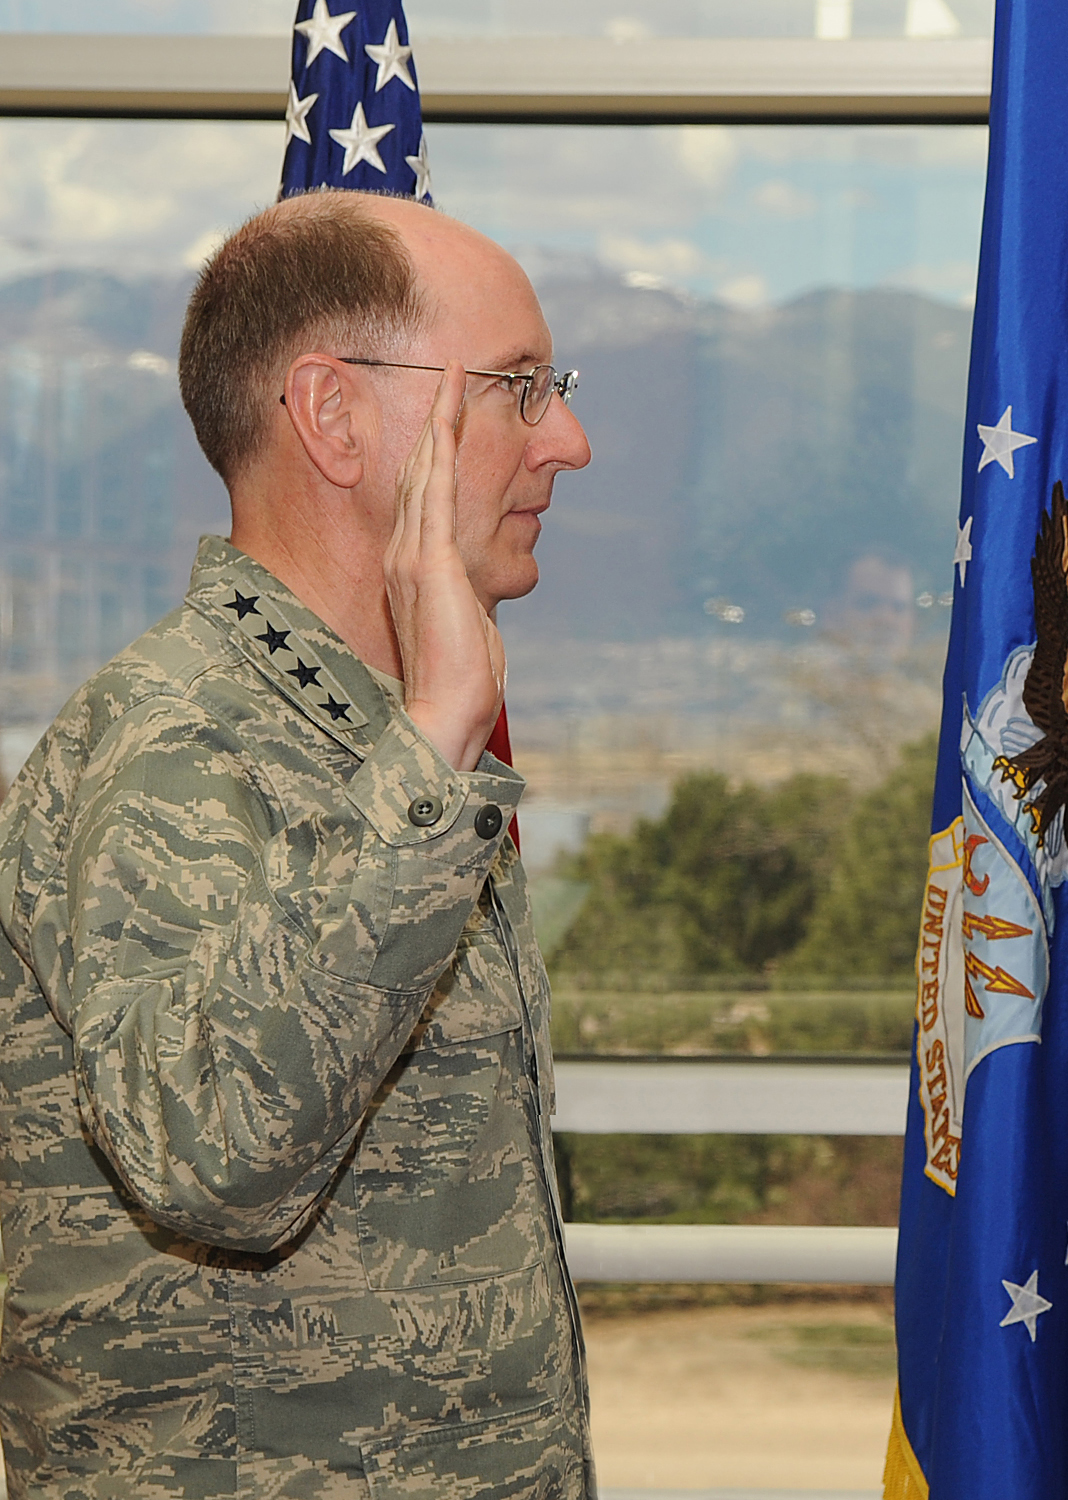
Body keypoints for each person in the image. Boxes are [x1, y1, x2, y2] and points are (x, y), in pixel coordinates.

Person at [0, 189, 595, 1496]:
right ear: (333, 415)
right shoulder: (175, 742)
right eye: (517, 388)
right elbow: (210, 1158)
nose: (568, 440)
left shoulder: (359, 737)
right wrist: (435, 742)